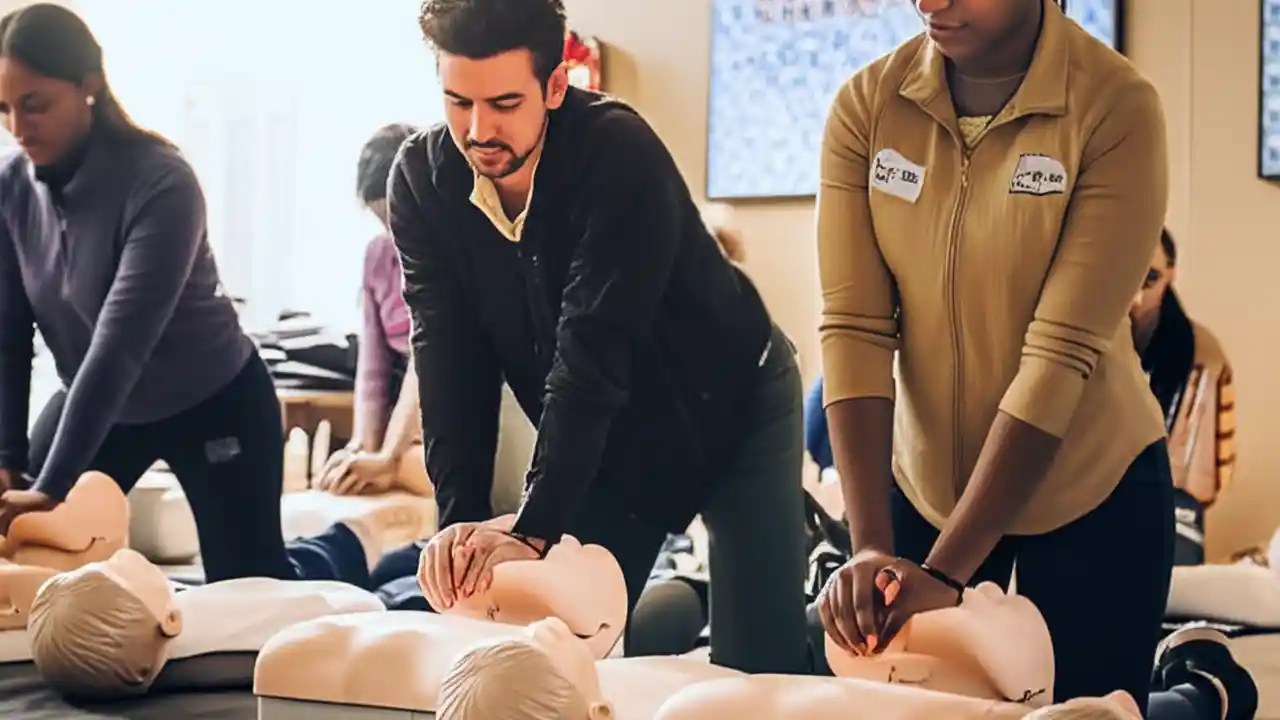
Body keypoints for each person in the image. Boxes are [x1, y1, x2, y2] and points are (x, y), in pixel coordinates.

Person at [393, 0, 810, 674]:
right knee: (561, 638)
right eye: (457, 101)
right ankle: (695, 599)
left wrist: (533, 529)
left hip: (735, 409)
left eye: (503, 103)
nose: (478, 130)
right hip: (613, 442)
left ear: (556, 86)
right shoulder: (421, 182)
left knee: (757, 672)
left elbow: (590, 352)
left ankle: (790, 619)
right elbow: (447, 363)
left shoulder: (616, 150)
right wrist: (460, 527)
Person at [814, 0, 1173, 712]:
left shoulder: (1114, 106)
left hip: (1090, 492)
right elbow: (853, 327)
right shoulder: (868, 106)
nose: (930, 3)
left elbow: (1059, 354)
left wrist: (946, 571)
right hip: (920, 492)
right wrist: (868, 547)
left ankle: (1200, 689)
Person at [0, 3, 334, 584]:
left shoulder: (162, 182)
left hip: (214, 402)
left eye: (35, 105)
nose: (18, 128)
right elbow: (7, 338)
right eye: (3, 108)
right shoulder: (10, 190)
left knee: (250, 588)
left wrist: (52, 486)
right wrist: (6, 462)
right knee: (25, 547)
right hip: (102, 405)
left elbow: (118, 347)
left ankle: (344, 549)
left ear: (89, 85)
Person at [316, 123, 431, 498]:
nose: (391, 231)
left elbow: (427, 361)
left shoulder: (447, 254)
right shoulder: (378, 256)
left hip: (448, 399)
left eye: (396, 217)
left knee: (419, 467)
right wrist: (364, 447)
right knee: (344, 471)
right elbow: (373, 370)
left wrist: (387, 457)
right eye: (381, 218)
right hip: (406, 404)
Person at [1130, 229, 1236, 566]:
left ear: (1171, 274)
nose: (1136, 297)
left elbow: (1207, 476)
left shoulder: (1202, 354)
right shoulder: (1083, 338)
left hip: (1172, 505)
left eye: (1149, 278)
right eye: (1126, 276)